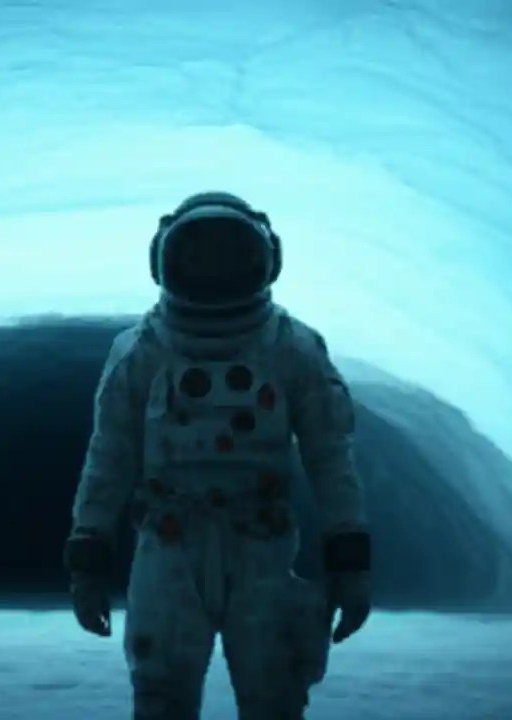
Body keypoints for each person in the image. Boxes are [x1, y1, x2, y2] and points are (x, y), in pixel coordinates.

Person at [63, 192, 372, 719]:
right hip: (179, 540)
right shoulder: (144, 352)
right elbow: (109, 456)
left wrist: (350, 559)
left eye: (230, 255)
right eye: (198, 257)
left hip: (249, 542)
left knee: (273, 689)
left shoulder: (289, 348)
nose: (214, 271)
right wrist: (87, 555)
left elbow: (330, 455)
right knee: (162, 690)